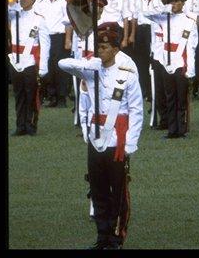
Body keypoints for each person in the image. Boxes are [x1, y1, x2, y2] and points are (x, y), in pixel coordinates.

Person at [58, 22, 143, 250]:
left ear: (115, 49)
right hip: (95, 139)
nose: (100, 51)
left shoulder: (127, 75)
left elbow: (136, 110)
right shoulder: (91, 70)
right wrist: (90, 63)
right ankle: (102, 235)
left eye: (104, 48)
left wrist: (131, 144)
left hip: (116, 140)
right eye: (99, 47)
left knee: (119, 192)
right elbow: (62, 63)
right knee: (98, 191)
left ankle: (116, 237)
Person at [143, 0, 198, 138]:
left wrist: (190, 69)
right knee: (170, 97)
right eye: (173, 1)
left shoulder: (189, 21)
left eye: (178, 1)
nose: (175, 4)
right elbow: (145, 13)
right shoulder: (164, 18)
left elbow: (191, 47)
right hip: (166, 61)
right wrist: (165, 8)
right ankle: (172, 130)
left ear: (183, 3)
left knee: (181, 98)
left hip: (181, 62)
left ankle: (181, 129)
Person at [8, 0, 50, 136]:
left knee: (31, 94)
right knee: (19, 94)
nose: (23, 0)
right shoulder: (14, 15)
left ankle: (30, 124)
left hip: (30, 60)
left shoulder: (39, 19)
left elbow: (45, 44)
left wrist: (43, 66)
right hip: (15, 60)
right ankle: (20, 126)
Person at [34, 0, 71, 108]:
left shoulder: (63, 0)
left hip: (59, 37)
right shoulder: (41, 1)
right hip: (44, 38)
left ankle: (61, 98)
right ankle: (52, 96)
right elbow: (36, 19)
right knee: (47, 66)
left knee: (59, 67)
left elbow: (68, 22)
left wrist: (67, 40)